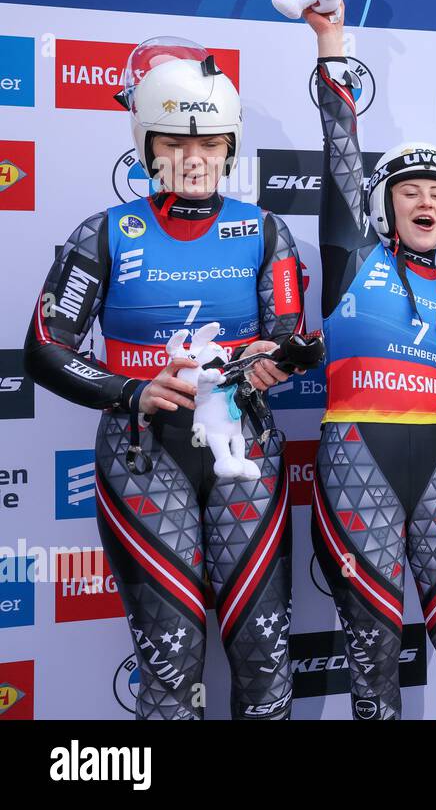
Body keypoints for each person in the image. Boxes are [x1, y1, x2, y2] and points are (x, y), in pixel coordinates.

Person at [25, 37, 306, 719]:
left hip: (248, 454)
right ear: (146, 146)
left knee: (264, 657)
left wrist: (279, 359)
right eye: (176, 142)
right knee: (168, 657)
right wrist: (133, 390)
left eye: (211, 142)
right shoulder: (106, 232)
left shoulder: (266, 232)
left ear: (229, 147)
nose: (195, 157)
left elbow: (289, 336)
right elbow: (43, 348)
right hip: (143, 455)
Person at [304, 0, 436, 720]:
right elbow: (340, 148)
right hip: (355, 463)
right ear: (382, 206)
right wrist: (333, 42)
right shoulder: (348, 261)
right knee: (372, 650)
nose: (425, 202)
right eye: (410, 191)